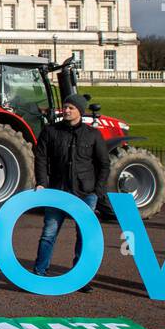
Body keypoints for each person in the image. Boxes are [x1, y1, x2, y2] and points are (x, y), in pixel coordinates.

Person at [32, 93, 109, 284]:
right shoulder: (50, 131)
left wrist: (97, 191)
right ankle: (39, 271)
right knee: (49, 232)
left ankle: (81, 276)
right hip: (57, 190)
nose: (66, 110)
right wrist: (42, 182)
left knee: (83, 235)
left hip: (85, 192)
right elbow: (40, 157)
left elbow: (104, 164)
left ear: (80, 112)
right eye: (65, 107)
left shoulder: (93, 134)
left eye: (71, 108)